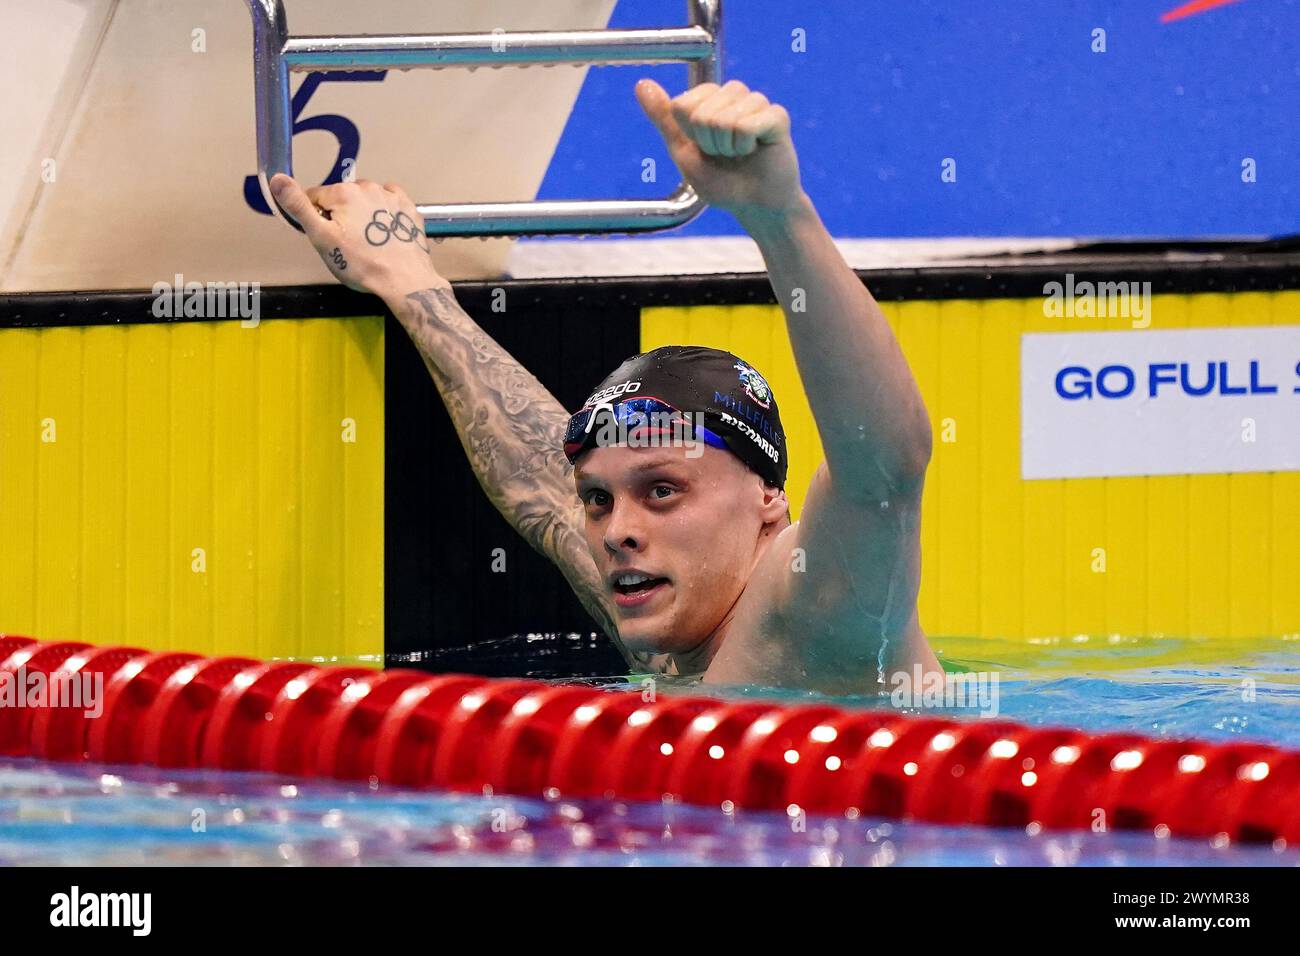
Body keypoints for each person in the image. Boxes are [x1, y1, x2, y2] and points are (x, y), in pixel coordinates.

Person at [269, 78, 941, 694]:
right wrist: (410, 284)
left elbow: (884, 467)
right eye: (599, 498)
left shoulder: (813, 611)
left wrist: (779, 215)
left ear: (769, 499)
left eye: (663, 490)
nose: (618, 530)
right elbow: (536, 477)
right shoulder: (669, 622)